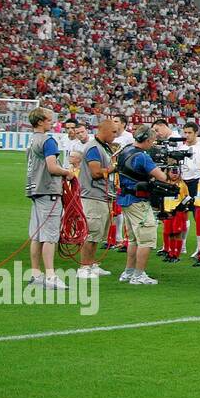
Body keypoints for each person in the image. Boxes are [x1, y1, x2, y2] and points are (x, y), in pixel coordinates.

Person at [25, 107, 74, 289]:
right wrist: (67, 172)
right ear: (40, 121)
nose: (52, 122)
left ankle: (36, 273)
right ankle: (51, 276)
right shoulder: (48, 141)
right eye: (48, 119)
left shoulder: (33, 140)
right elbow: (52, 168)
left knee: (37, 235)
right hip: (48, 191)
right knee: (50, 236)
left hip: (35, 190)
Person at [115, 127, 168, 285]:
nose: (152, 145)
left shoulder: (125, 150)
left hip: (125, 198)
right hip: (138, 201)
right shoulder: (143, 157)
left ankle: (128, 272)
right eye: (151, 141)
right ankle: (138, 275)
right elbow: (162, 177)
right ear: (147, 140)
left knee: (133, 239)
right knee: (146, 239)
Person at [77, 117, 118, 279]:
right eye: (113, 132)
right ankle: (84, 267)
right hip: (93, 195)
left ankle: (91, 264)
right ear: (105, 131)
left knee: (98, 234)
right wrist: (112, 168)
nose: (115, 135)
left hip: (102, 195)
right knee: (92, 233)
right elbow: (95, 173)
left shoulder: (103, 147)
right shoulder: (94, 148)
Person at [178, 122, 200, 258]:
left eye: (189, 133)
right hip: (183, 184)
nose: (186, 135)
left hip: (195, 183)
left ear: (196, 133)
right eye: (185, 133)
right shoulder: (181, 147)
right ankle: (182, 245)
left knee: (197, 215)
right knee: (181, 214)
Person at [160, 168, 190, 264]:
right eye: (172, 173)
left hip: (177, 213)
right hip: (168, 212)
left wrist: (183, 210)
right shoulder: (166, 184)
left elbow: (187, 198)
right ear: (168, 173)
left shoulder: (182, 185)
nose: (174, 175)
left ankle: (176, 255)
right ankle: (171, 252)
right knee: (170, 234)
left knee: (177, 234)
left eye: (176, 173)